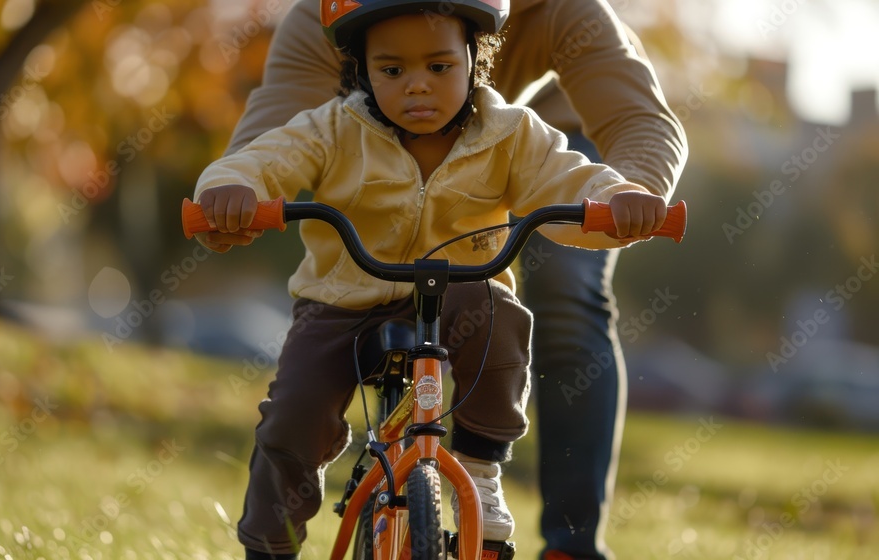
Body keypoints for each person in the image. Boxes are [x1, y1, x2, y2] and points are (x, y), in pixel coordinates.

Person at [192, 1, 672, 558]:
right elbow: (271, 145)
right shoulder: (333, 102)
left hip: (541, 154)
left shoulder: (525, 103)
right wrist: (229, 195)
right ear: (361, 64)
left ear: (475, 53)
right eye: (394, 69)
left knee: (530, 304)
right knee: (294, 416)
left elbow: (610, 141)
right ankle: (270, 544)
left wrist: (627, 200)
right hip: (348, 285)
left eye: (437, 67)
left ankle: (502, 485)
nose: (417, 86)